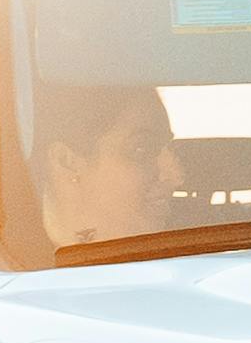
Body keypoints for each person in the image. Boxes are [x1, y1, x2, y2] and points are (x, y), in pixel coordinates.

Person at [35, 86, 188, 251]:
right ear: (67, 161)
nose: (177, 176)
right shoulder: (14, 264)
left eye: (173, 148)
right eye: (141, 150)